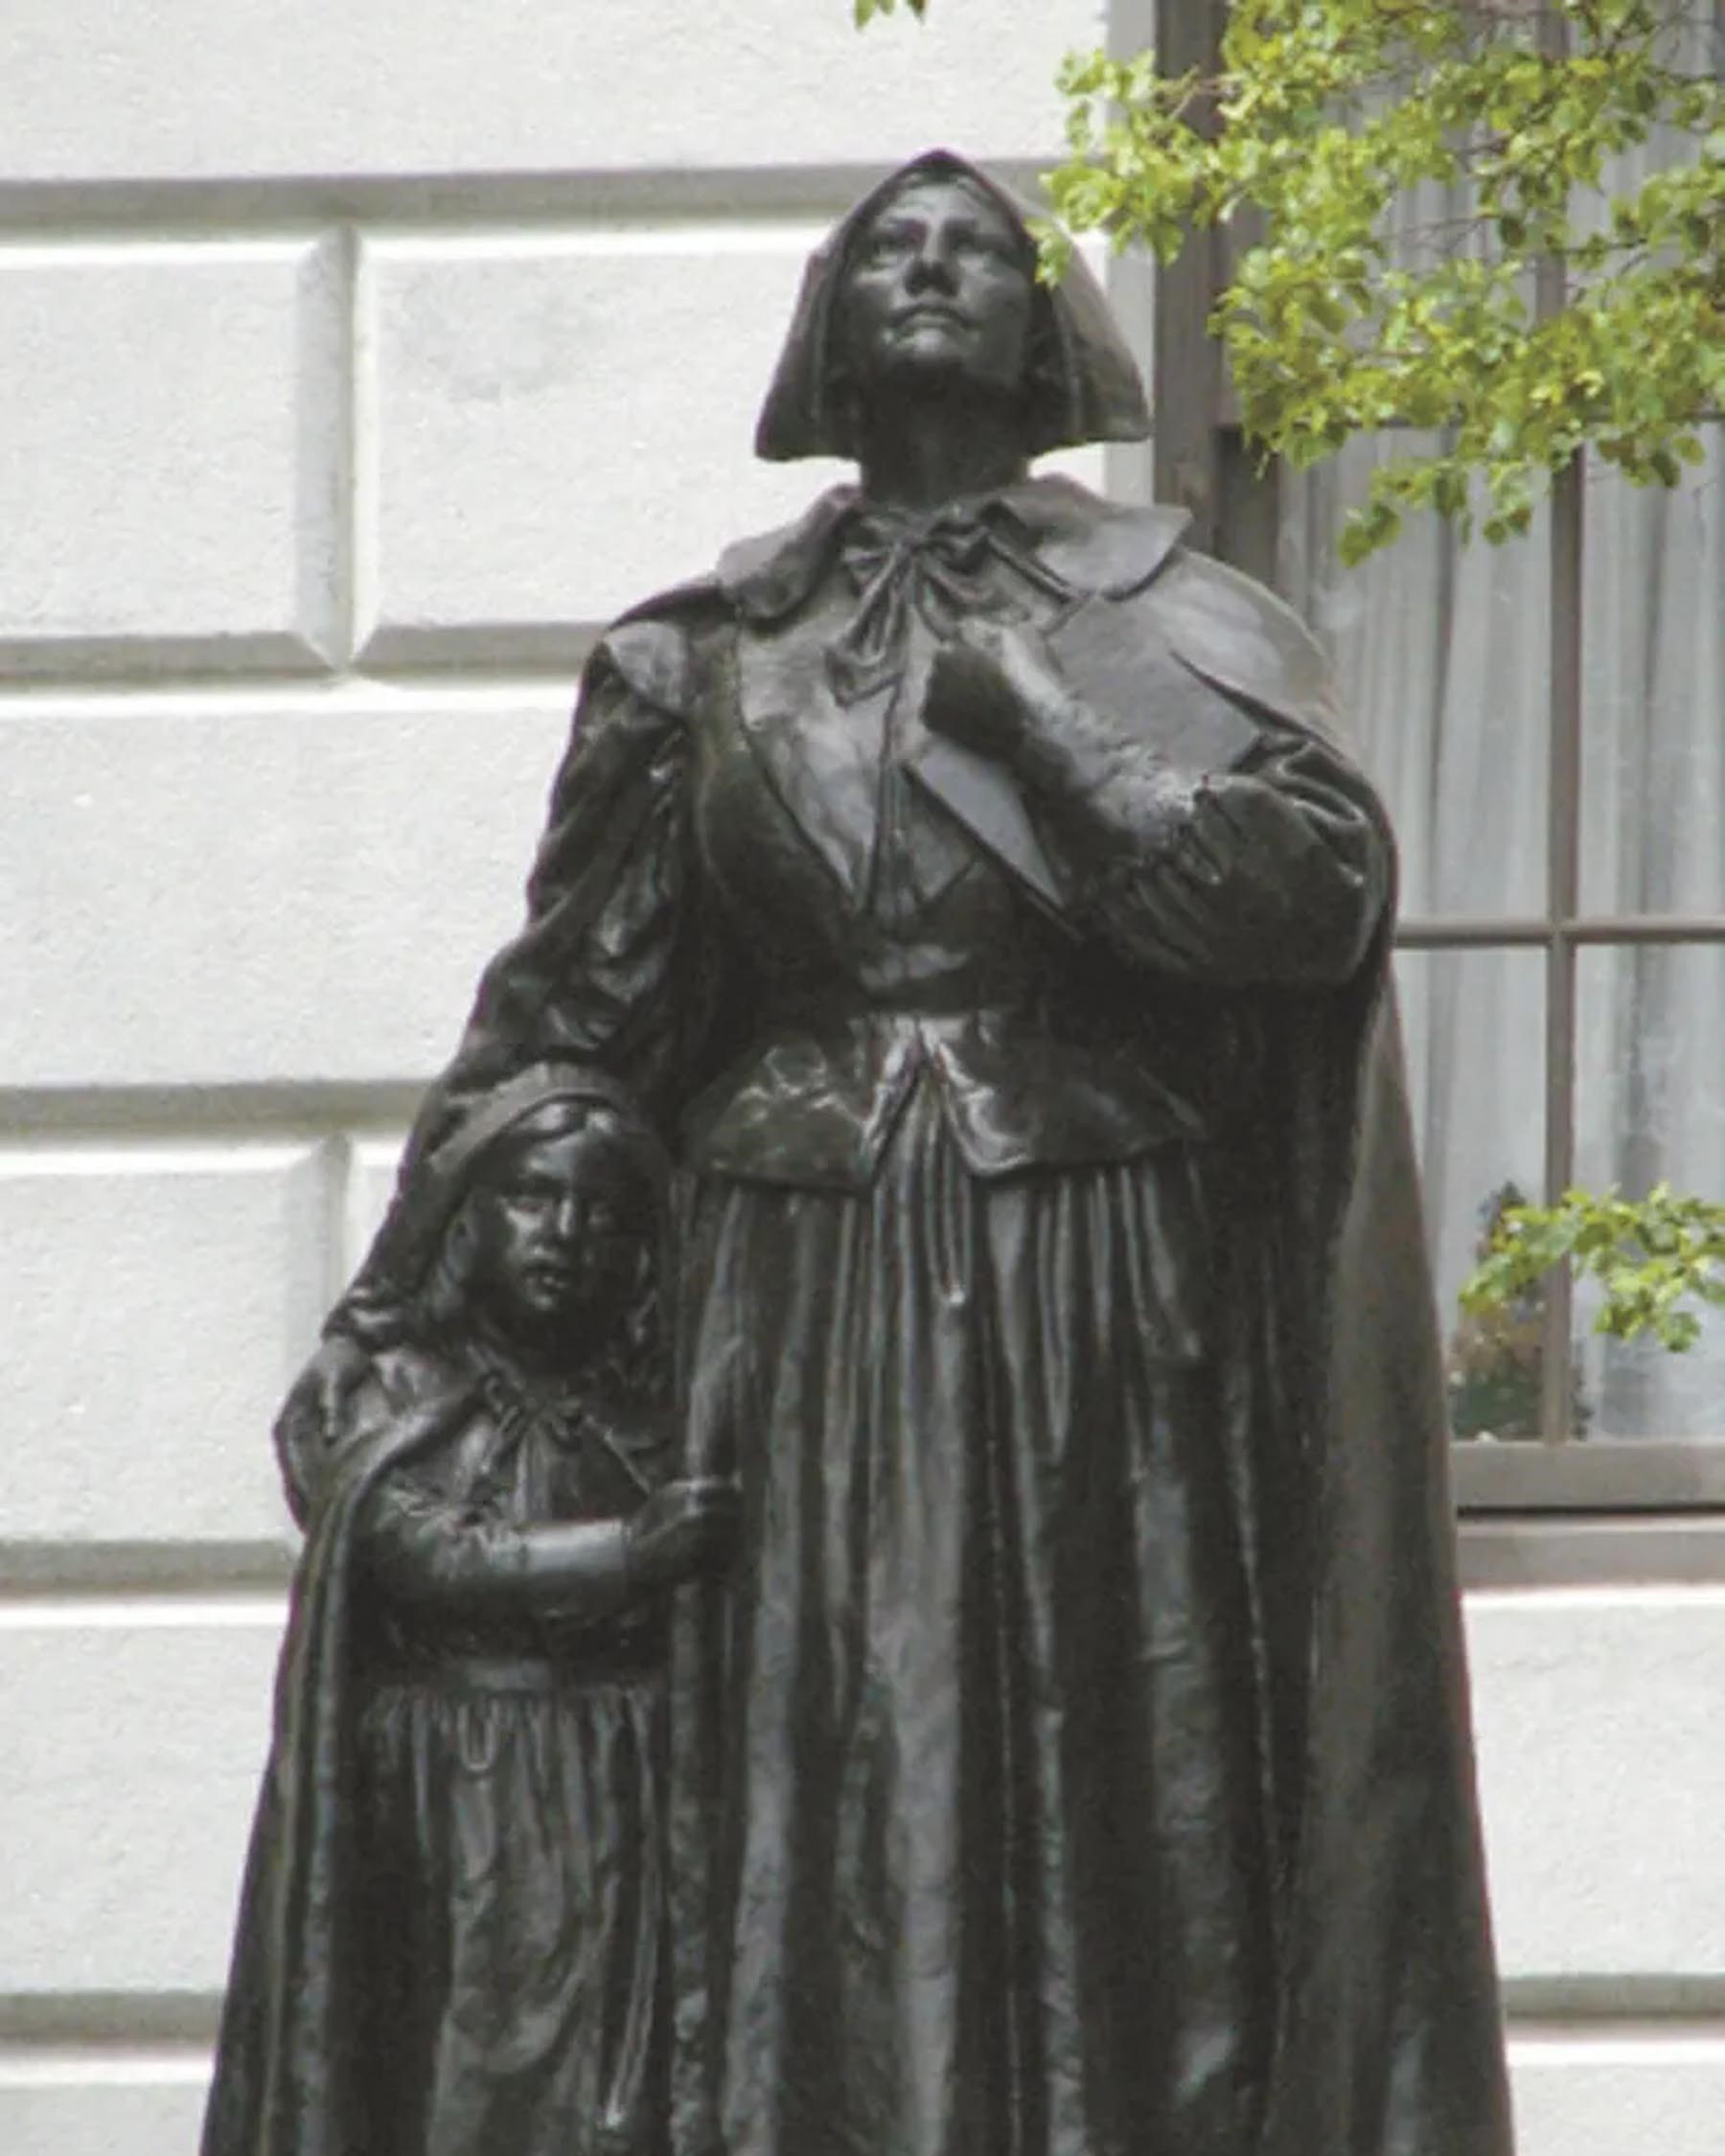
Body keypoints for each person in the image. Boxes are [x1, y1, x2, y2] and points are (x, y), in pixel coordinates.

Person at [330, 151, 1512, 2156]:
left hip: (1092, 1280)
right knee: (802, 1757)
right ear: (830, 320)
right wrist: (404, 1328)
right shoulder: (707, 655)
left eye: (977, 248)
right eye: (895, 247)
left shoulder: (1175, 616)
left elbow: (1306, 906)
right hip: (781, 1289)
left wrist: (1046, 719)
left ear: (1051, 325)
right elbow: (572, 1016)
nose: (936, 268)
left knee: (1101, 1747)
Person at [201, 1066, 737, 2156]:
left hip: (615, 1794)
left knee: (610, 2106)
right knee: (453, 2082)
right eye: (532, 1198)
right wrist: (629, 1554)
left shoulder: (656, 1415)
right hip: (451, 1800)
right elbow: (420, 1548)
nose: (565, 1233)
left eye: (599, 1211)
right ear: (467, 1217)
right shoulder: (392, 1396)